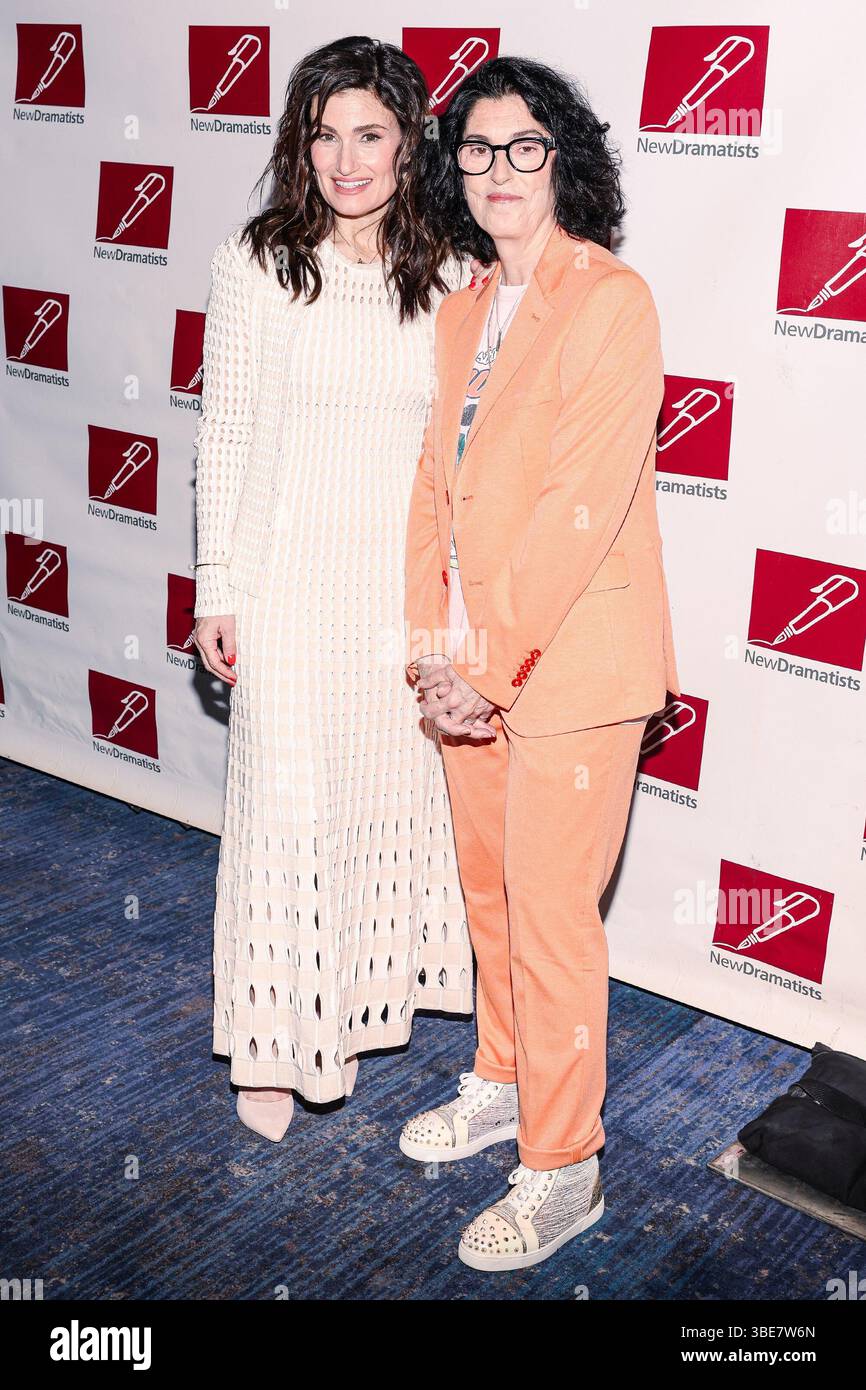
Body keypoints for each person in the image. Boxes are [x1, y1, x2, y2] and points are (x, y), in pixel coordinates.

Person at [401, 56, 682, 1269]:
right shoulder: (462, 306)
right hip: (466, 662)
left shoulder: (610, 300)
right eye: (474, 148)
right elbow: (432, 488)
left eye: (523, 147)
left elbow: (579, 505)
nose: (497, 170)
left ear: (562, 160)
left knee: (555, 919)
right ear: (450, 168)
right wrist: (427, 646)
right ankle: (504, 1078)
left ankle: (564, 1167)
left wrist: (489, 663)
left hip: (570, 667)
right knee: (491, 901)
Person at [192, 36, 474, 1142]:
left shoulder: (451, 272)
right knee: (280, 812)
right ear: (297, 144)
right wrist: (220, 585)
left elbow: (462, 451)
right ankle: (269, 1042)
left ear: (409, 143)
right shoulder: (252, 262)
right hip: (283, 583)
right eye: (324, 135)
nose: (346, 159)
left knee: (373, 811)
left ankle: (352, 1012)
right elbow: (222, 430)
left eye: (370, 134)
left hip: (393, 591)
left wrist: (453, 608)